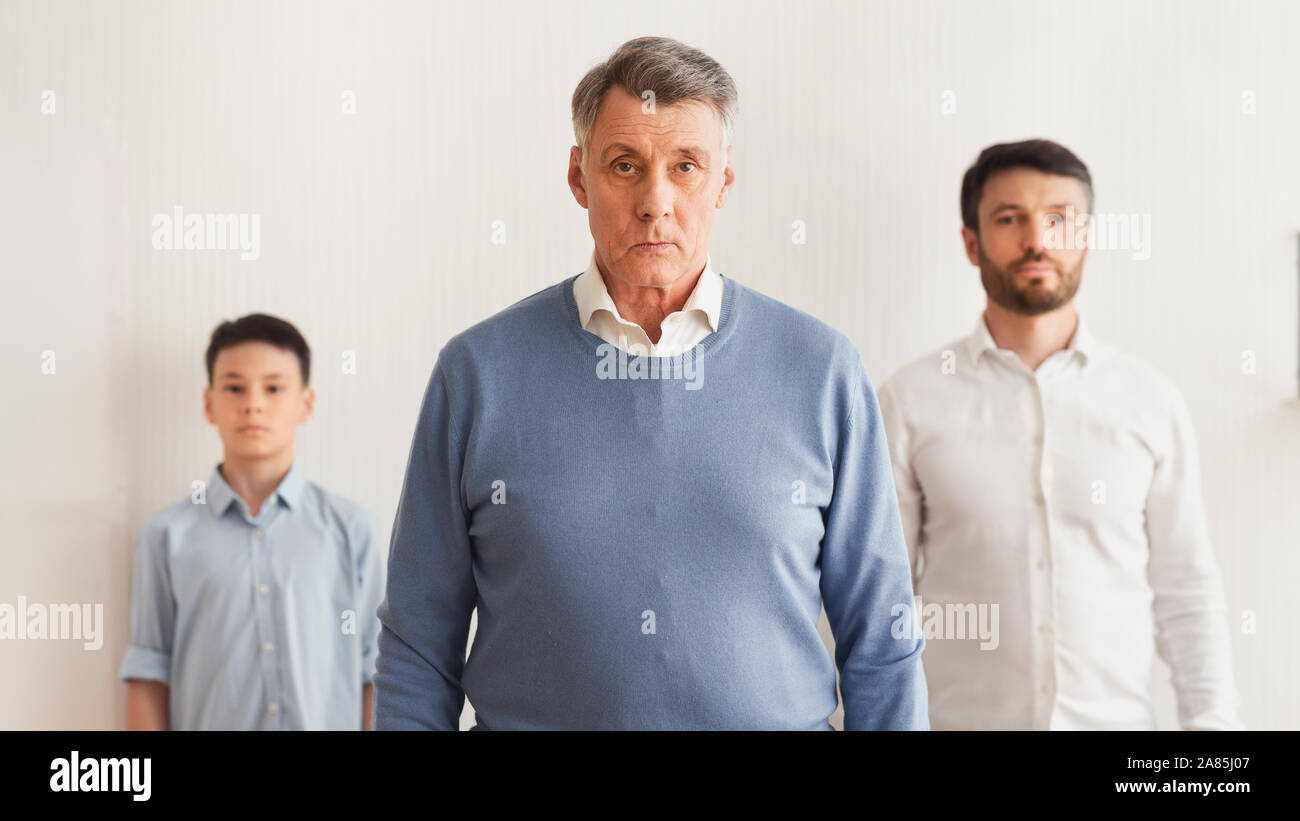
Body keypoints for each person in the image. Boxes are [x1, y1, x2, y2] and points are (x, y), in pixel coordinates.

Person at [374, 36, 927, 730]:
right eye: (625, 166)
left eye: (685, 166)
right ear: (579, 178)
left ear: (724, 182)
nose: (655, 202)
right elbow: (418, 646)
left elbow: (883, 642)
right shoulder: (476, 375)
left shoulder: (822, 371)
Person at [876, 139, 1244, 730]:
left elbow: (1187, 590)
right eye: (1009, 218)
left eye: (1059, 220)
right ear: (971, 243)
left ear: (1087, 238)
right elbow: (878, 598)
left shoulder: (1150, 402)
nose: (1037, 240)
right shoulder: (908, 400)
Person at [118, 313, 384, 730]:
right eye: (234, 387)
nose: (253, 403)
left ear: (306, 403)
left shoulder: (353, 530)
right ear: (209, 403)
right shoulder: (164, 537)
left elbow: (375, 671)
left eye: (274, 388)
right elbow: (149, 674)